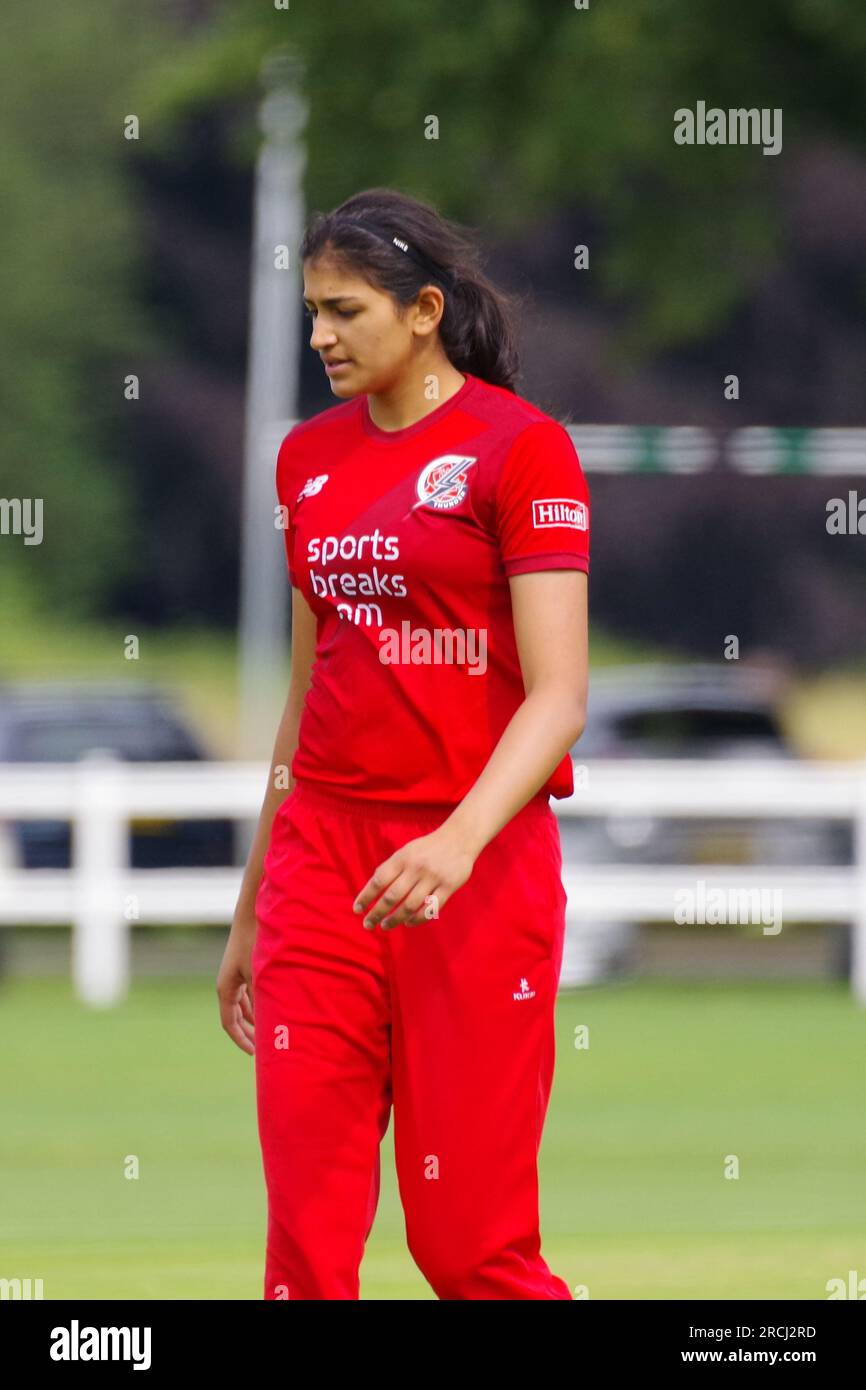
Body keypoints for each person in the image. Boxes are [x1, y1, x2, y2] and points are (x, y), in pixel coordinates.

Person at [217, 186, 590, 1300]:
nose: (321, 336)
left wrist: (456, 842)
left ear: (422, 310)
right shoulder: (307, 462)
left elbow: (559, 694)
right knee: (307, 1250)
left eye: (345, 311)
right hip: (320, 871)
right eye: (311, 313)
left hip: (474, 876)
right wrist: (253, 904)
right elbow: (303, 696)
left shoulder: (520, 453)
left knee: (467, 1249)